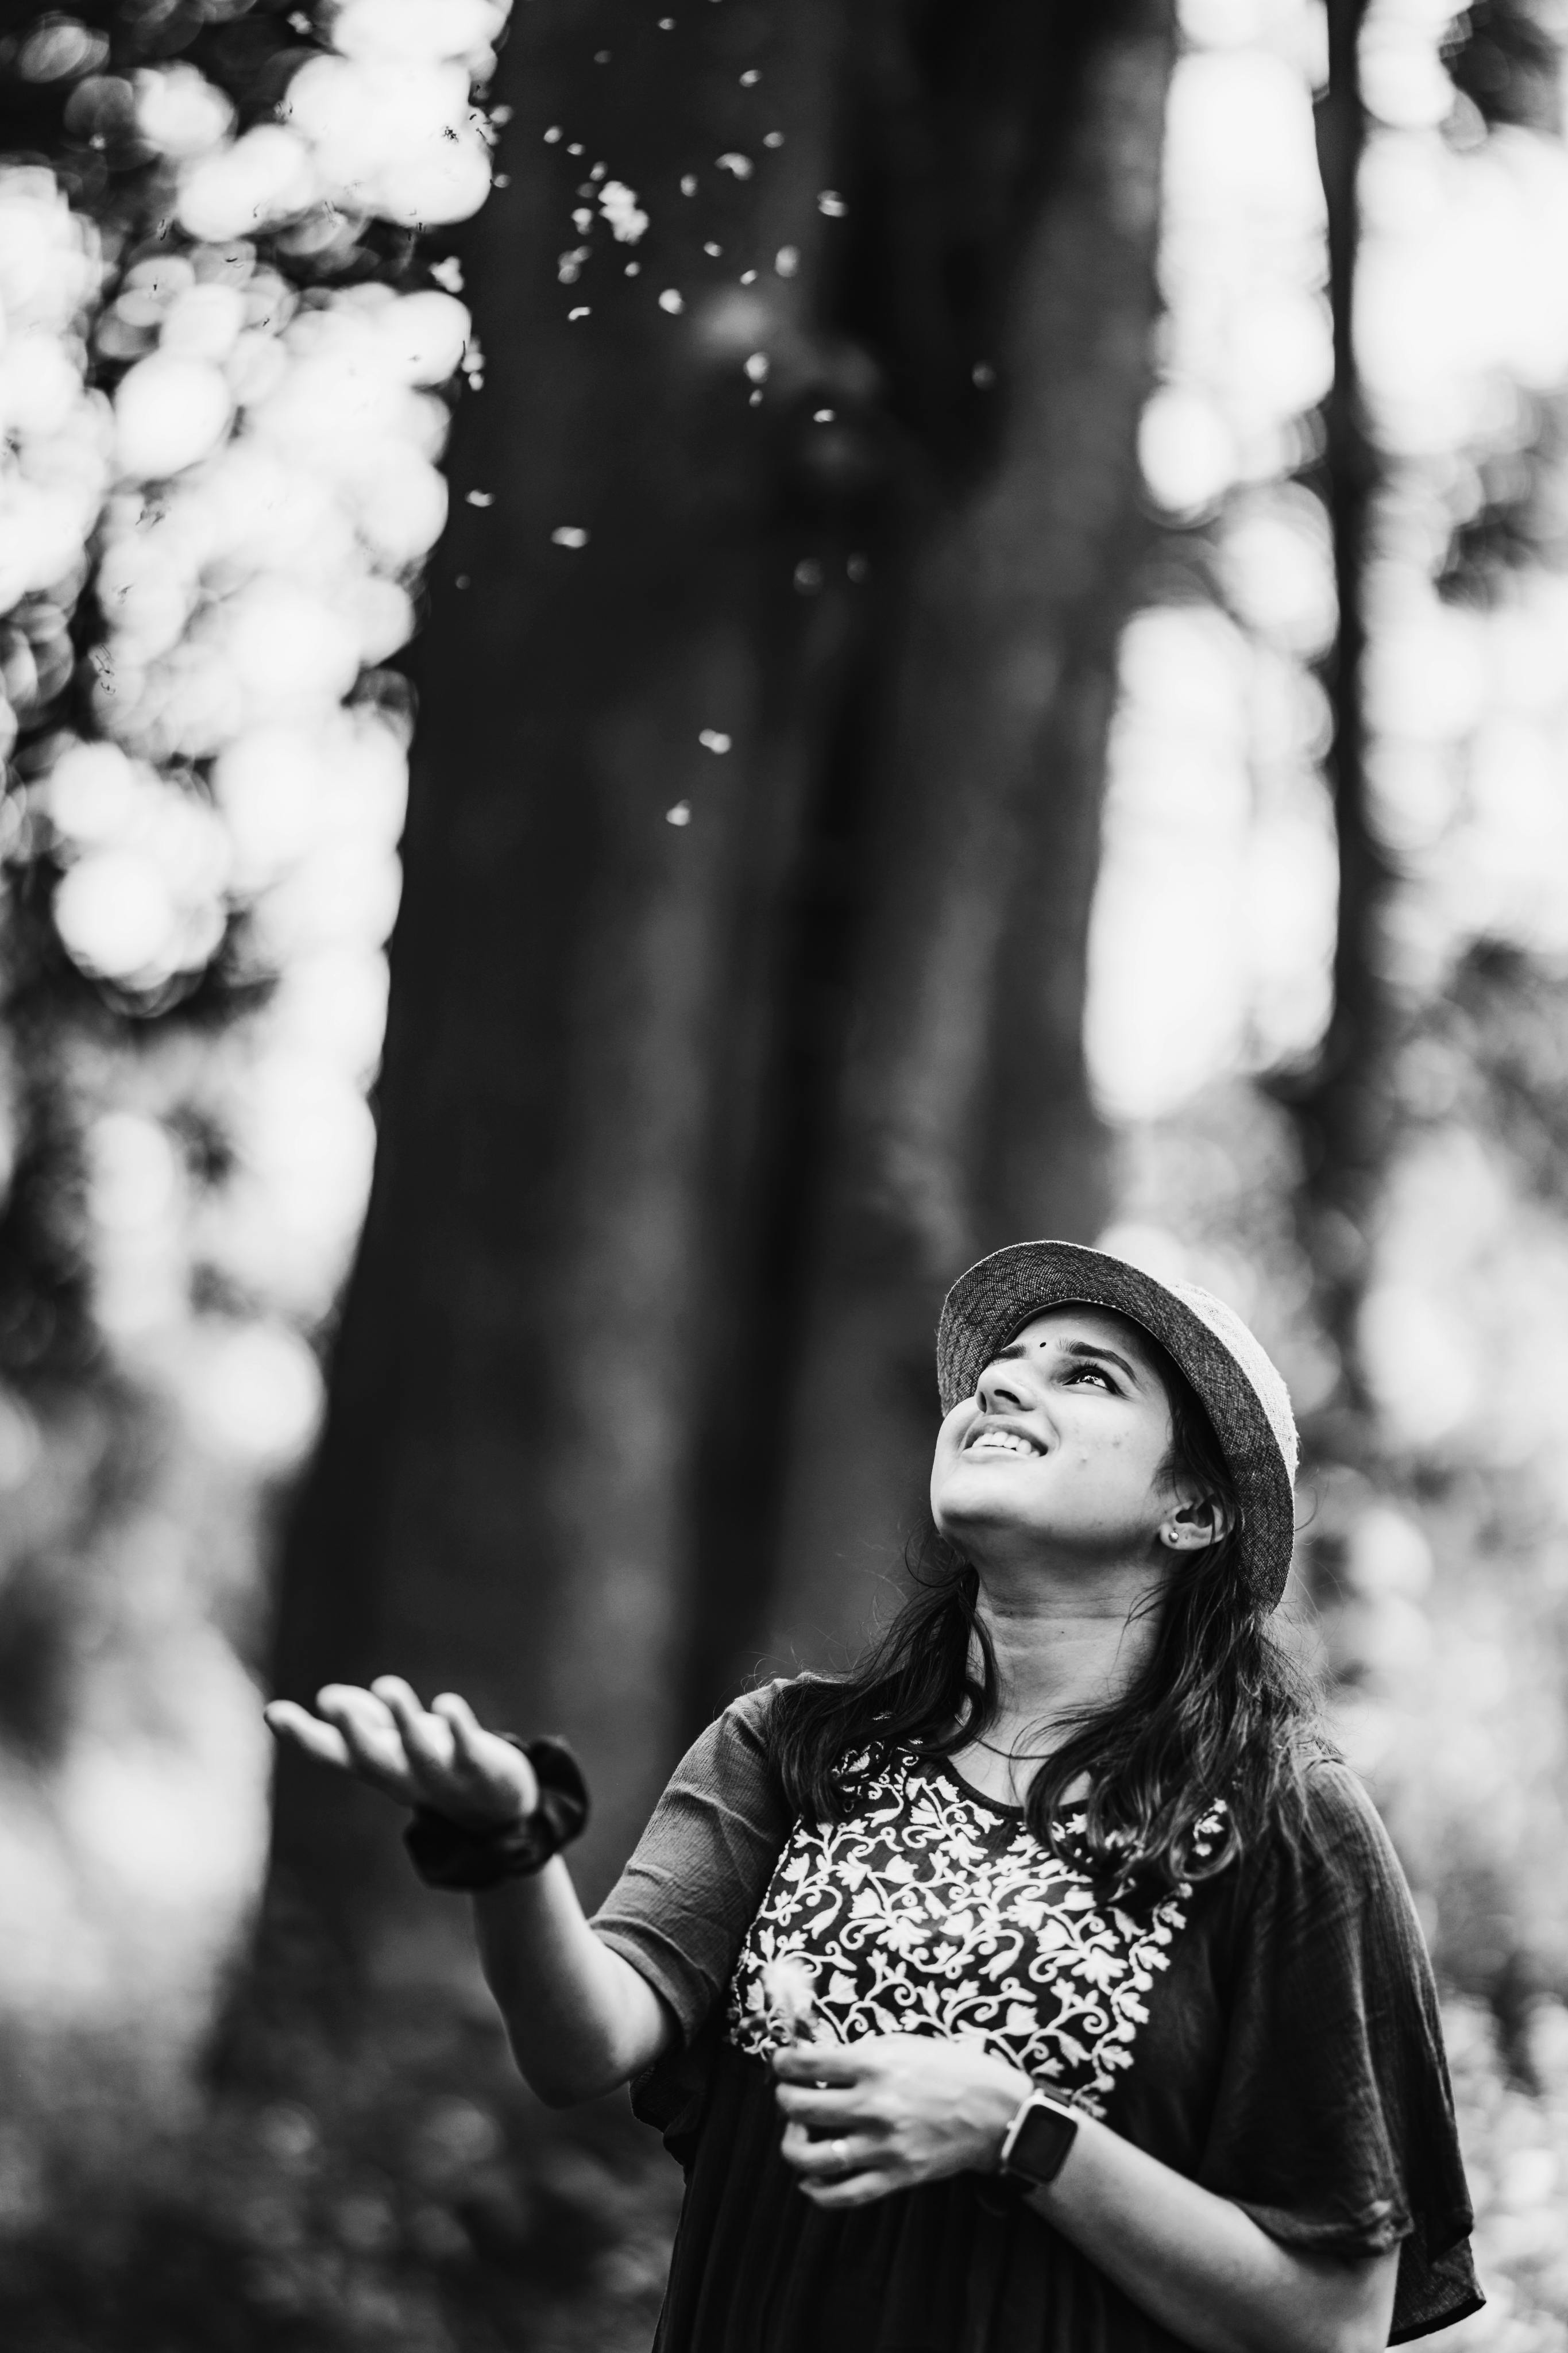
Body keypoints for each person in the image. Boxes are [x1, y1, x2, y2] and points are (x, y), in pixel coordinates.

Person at [265, 1239, 1482, 2353]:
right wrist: (508, 1844)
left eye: (1089, 1377)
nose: (1004, 1386)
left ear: (1194, 1507)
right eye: (1001, 1365)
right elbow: (583, 2041)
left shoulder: (1283, 1818)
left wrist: (1020, 2130)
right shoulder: (796, 1747)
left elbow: (1331, 2320)